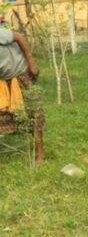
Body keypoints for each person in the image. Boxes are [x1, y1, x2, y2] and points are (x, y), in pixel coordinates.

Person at [0, 27, 45, 162]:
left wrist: (32, 63)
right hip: (3, 80)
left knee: (34, 112)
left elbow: (19, 36)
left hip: (21, 72)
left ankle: (40, 154)